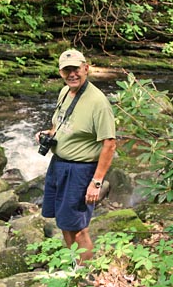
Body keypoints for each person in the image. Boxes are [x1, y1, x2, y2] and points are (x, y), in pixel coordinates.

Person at [38, 49, 116, 263]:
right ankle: (75, 264)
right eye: (66, 70)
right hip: (59, 165)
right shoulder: (65, 92)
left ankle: (85, 273)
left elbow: (109, 144)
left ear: (86, 69)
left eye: (76, 69)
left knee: (79, 228)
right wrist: (49, 134)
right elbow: (60, 124)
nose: (72, 74)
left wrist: (96, 182)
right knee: (64, 223)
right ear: (61, 72)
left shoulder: (98, 103)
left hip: (80, 171)